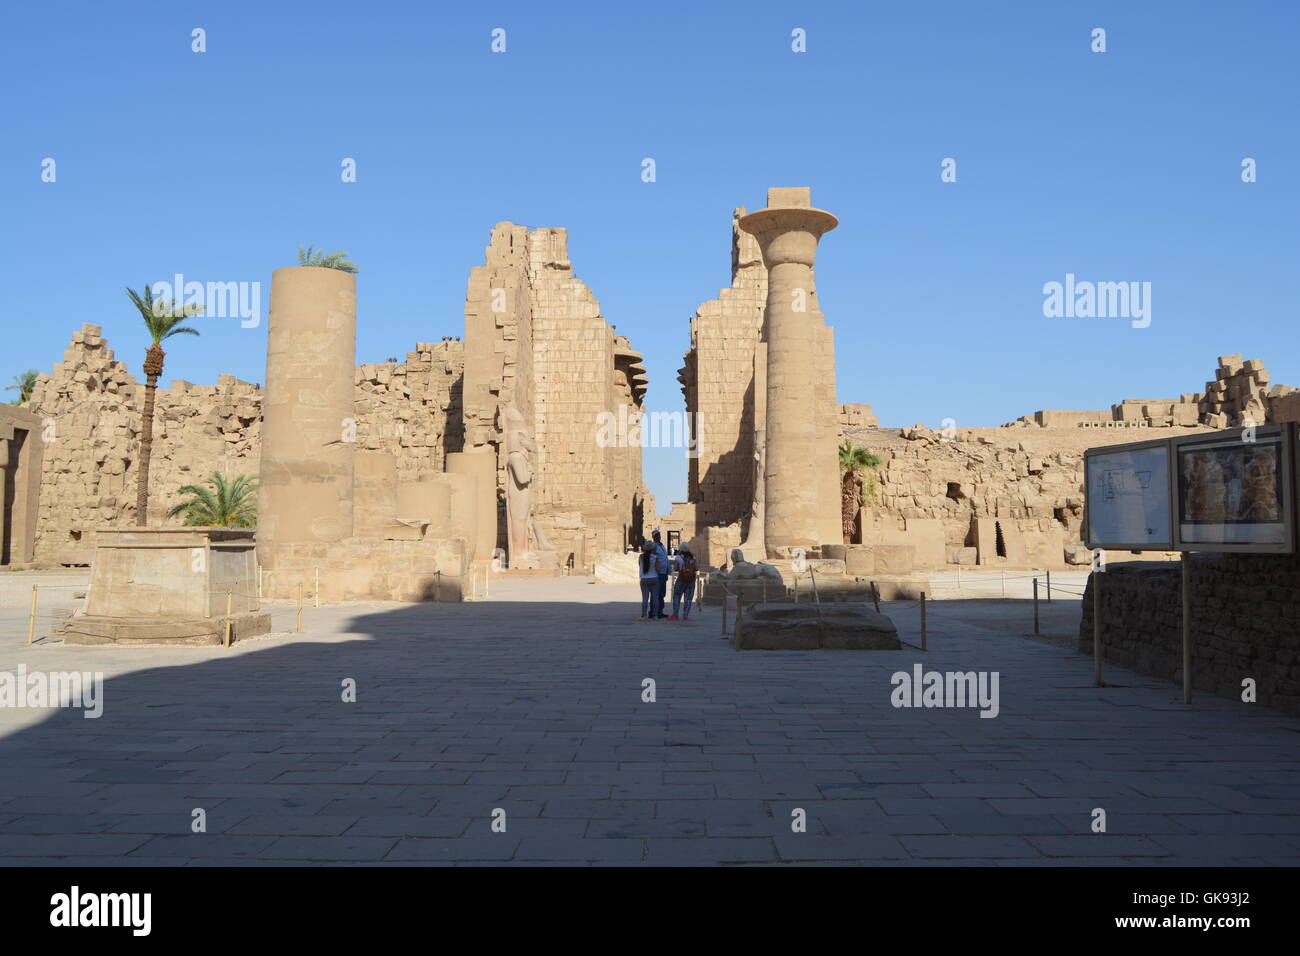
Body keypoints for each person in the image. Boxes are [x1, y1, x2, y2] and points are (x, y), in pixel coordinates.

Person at [669, 543, 698, 621]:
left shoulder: (678, 558)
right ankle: (685, 616)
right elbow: (696, 568)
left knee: (677, 596)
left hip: (681, 579)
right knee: (688, 598)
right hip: (691, 580)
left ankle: (675, 614)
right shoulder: (693, 558)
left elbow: (675, 568)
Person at [638, 540, 665, 620]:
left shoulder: (641, 557)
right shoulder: (655, 557)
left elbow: (640, 565)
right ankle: (655, 615)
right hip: (654, 578)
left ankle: (644, 616)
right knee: (655, 598)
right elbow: (658, 569)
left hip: (644, 579)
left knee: (645, 598)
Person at [650, 530, 669, 619]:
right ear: (653, 537)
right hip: (658, 573)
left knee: (661, 593)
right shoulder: (654, 546)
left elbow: (665, 558)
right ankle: (653, 612)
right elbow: (652, 558)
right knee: (656, 593)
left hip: (663, 573)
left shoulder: (661, 545)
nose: (659, 536)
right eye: (657, 535)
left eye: (659, 535)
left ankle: (660, 611)